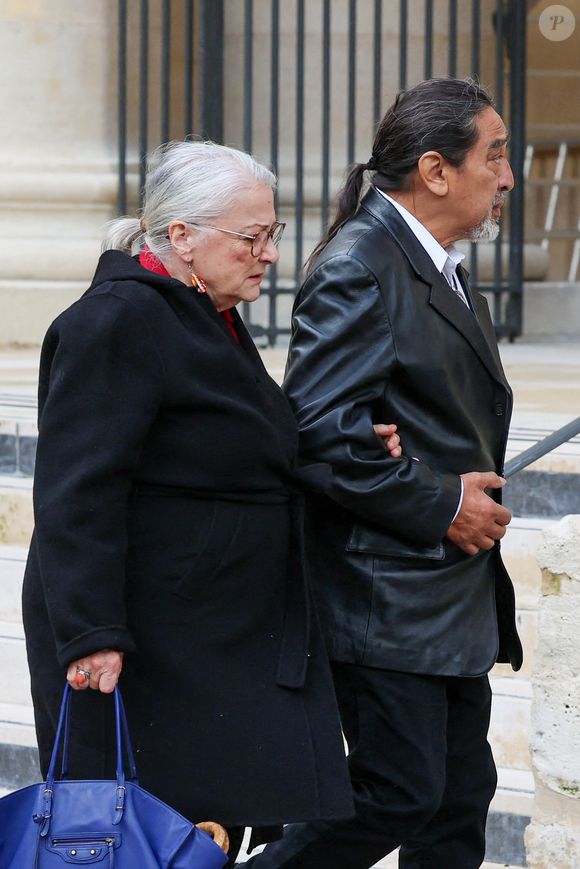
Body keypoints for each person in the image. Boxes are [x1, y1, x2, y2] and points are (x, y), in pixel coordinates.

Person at [22, 140, 402, 865]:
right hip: (142, 638)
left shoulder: (209, 316)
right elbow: (77, 489)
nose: (269, 255)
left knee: (205, 829)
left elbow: (235, 456)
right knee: (144, 834)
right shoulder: (115, 320)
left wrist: (347, 452)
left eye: (274, 234)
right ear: (181, 235)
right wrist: (92, 630)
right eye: (251, 236)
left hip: (209, 632)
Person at [242, 78, 523, 868]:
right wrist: (443, 503)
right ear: (436, 171)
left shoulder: (441, 263)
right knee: (398, 793)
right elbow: (322, 437)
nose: (507, 177)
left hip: (444, 598)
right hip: (387, 598)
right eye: (494, 156)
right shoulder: (362, 265)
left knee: (458, 799)